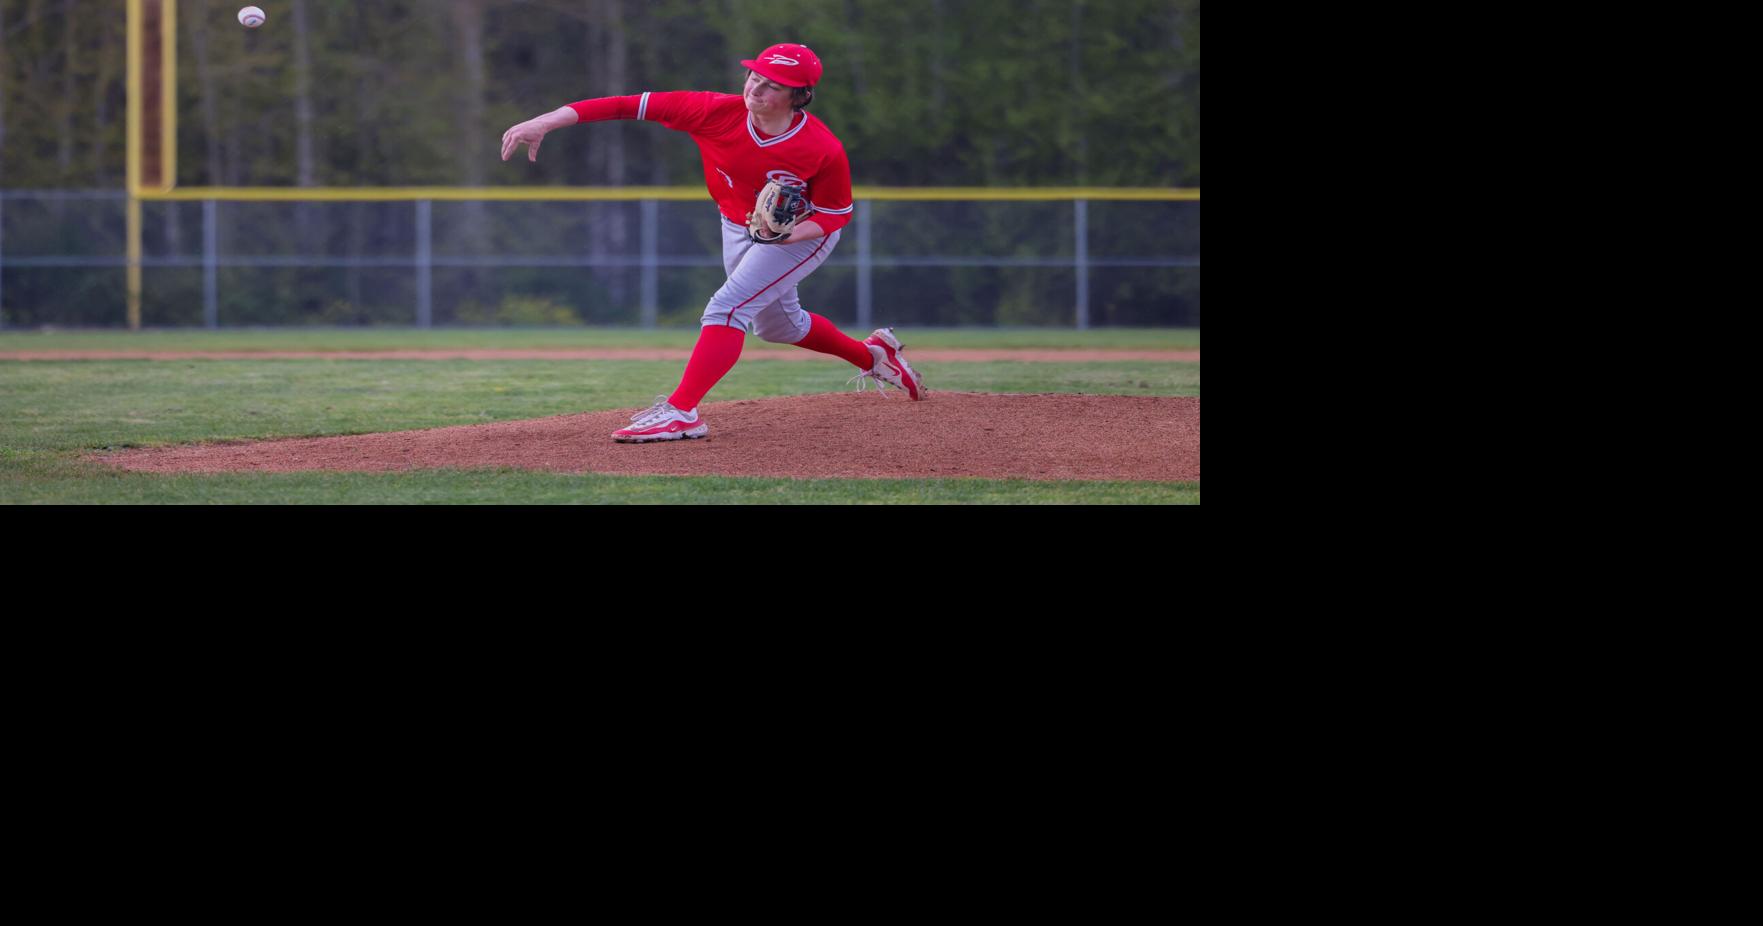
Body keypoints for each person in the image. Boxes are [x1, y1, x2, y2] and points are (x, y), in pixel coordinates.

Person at [499, 42, 926, 443]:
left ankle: (681, 411)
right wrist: (545, 121)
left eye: (772, 85)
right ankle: (874, 356)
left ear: (799, 96)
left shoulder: (821, 148)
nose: (755, 87)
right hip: (736, 223)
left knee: (728, 308)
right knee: (779, 327)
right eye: (754, 76)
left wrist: (782, 235)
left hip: (803, 236)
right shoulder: (712, 111)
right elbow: (626, 105)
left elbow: (835, 214)